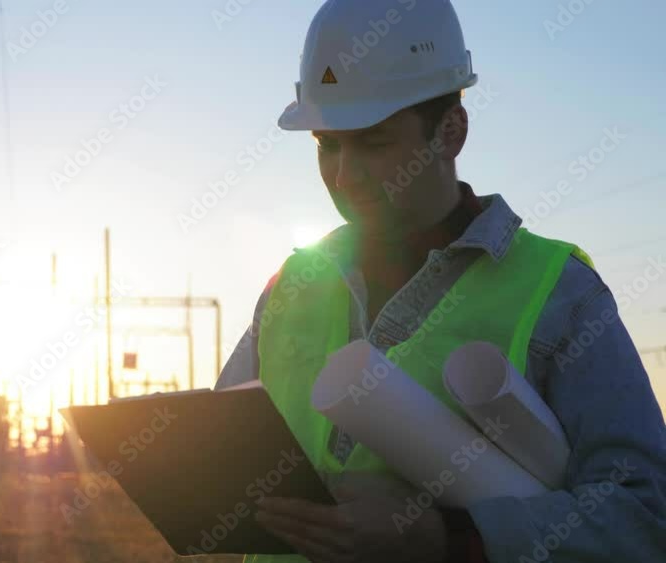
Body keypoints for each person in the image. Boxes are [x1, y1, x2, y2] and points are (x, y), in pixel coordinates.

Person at [213, 1, 666, 562]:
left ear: (451, 131)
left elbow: (643, 518)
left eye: (374, 141)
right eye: (328, 144)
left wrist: (447, 540)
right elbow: (214, 456)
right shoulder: (290, 285)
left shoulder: (561, 296)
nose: (344, 176)